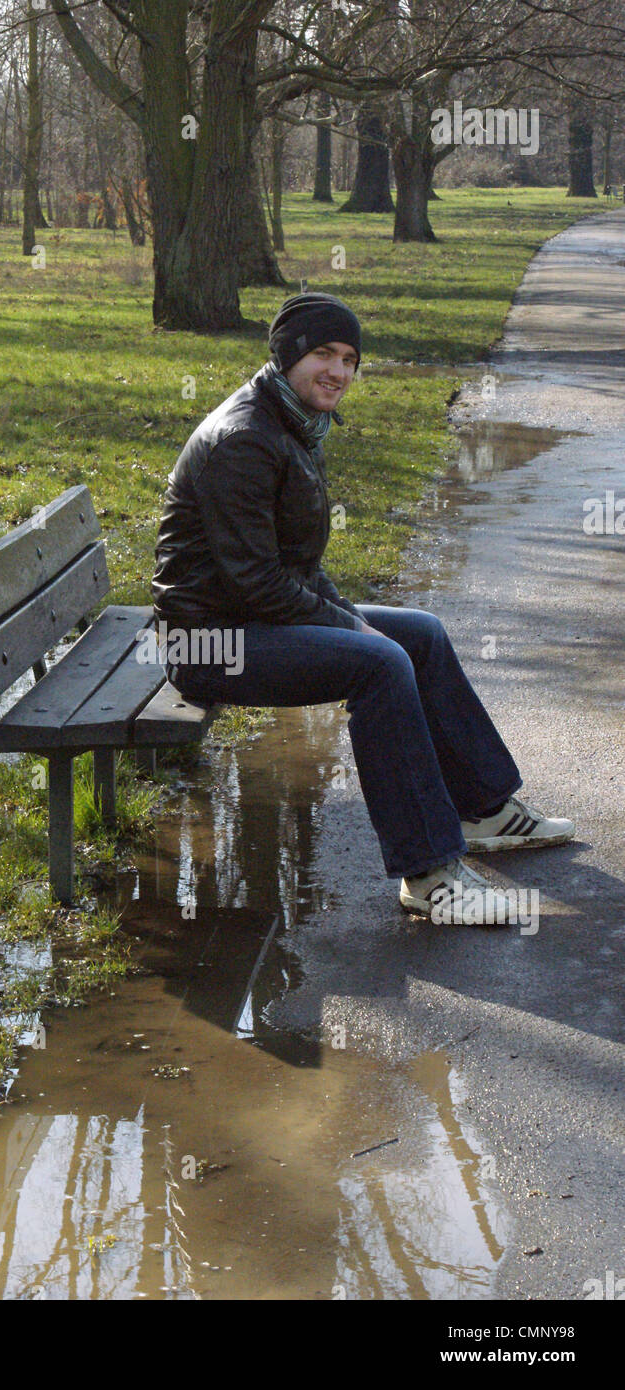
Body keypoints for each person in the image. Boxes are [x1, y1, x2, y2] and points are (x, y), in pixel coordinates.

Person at [150, 292, 575, 926]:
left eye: (350, 359)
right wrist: (352, 628)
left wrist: (348, 614)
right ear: (289, 356)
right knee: (379, 663)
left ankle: (484, 809)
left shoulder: (291, 421)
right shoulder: (245, 439)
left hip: (250, 621)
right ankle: (430, 874)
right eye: (324, 353)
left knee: (420, 634)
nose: (340, 372)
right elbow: (259, 584)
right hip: (210, 643)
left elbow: (295, 563)